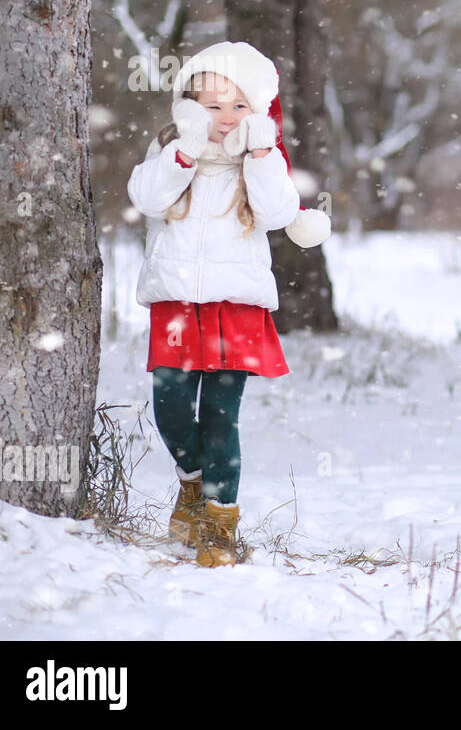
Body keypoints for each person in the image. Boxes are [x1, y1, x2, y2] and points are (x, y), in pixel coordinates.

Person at [126, 41, 330, 567]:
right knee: (171, 410)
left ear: (256, 110)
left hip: (236, 306)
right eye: (213, 105)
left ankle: (219, 525)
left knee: (221, 418)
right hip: (175, 301)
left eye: (239, 105)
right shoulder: (168, 150)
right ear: (190, 106)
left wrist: (261, 156)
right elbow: (146, 198)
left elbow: (278, 212)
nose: (226, 116)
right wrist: (185, 153)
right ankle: (192, 483)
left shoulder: (262, 159)